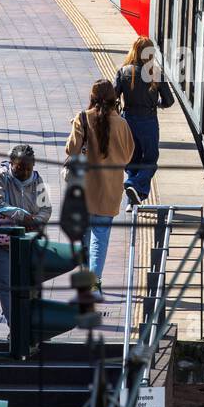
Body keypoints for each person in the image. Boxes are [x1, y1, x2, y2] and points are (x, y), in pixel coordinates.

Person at [65, 80, 134, 292]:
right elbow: (128, 155)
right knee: (100, 240)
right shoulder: (122, 124)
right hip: (110, 191)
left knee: (84, 238)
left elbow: (71, 150)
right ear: (114, 99)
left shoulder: (83, 119)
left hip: (84, 190)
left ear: (92, 98)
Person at [0, 144, 52, 320]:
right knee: (7, 288)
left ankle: (30, 330)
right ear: (11, 163)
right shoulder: (0, 177)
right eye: (20, 168)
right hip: (1, 244)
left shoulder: (37, 181)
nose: (25, 172)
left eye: (28, 168)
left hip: (28, 243)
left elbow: (46, 209)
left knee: (30, 288)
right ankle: (16, 329)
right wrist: (23, 216)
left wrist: (35, 221)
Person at [113, 36, 173, 205]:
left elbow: (112, 96)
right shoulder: (155, 73)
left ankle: (133, 201)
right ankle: (134, 185)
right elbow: (169, 101)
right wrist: (157, 104)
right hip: (149, 122)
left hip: (128, 121)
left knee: (132, 159)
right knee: (150, 161)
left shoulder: (123, 71)